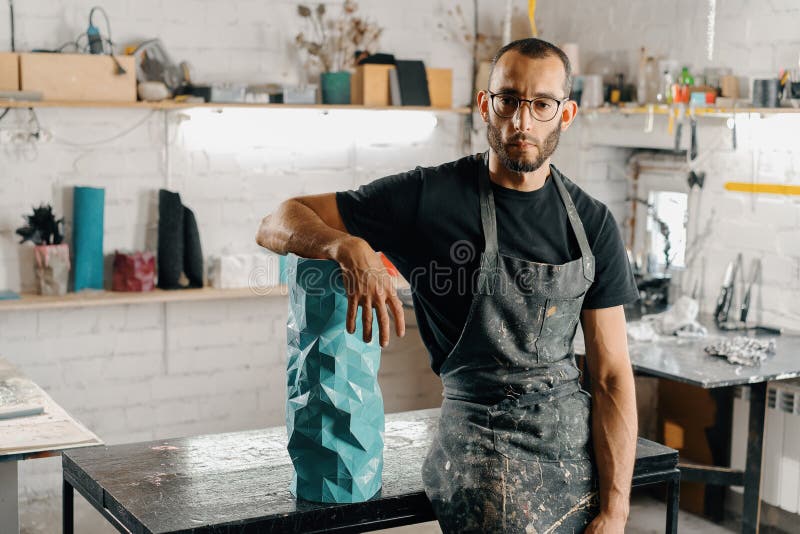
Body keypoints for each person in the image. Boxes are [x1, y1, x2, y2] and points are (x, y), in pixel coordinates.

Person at [256, 37, 638, 533]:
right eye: (508, 100)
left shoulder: (591, 223)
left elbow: (611, 377)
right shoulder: (429, 198)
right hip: (481, 452)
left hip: (572, 451)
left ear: (565, 114)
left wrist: (616, 509)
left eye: (542, 104)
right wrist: (345, 247)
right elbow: (278, 220)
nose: (522, 121)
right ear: (485, 104)